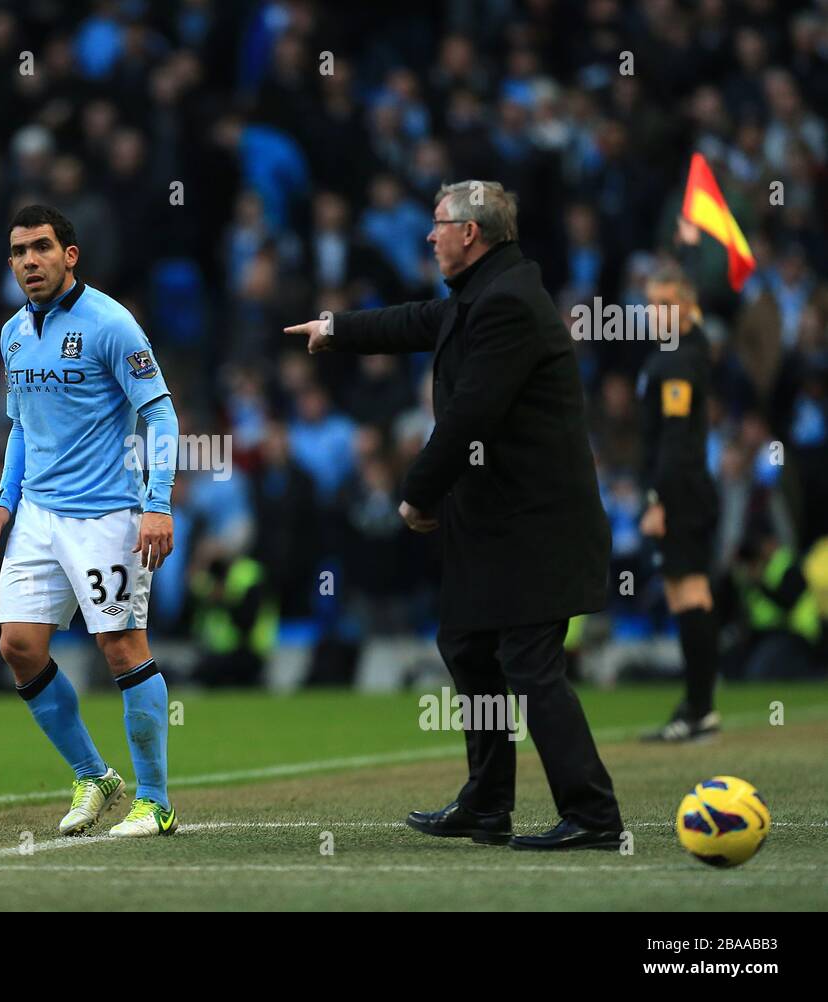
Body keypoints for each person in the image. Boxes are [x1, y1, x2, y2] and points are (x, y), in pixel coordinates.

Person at [285, 180, 624, 851]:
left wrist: (416, 490)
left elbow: (472, 411)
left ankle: (593, 813)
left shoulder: (508, 305)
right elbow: (417, 321)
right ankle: (489, 803)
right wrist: (338, 328)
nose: (430, 236)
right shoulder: (487, 294)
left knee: (530, 663)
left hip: (535, 523)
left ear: (471, 232)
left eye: (438, 224)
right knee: (467, 646)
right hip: (500, 522)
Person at [0, 205, 181, 838]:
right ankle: (94, 775)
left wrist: (157, 504)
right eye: (18, 251)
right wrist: (5, 500)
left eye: (41, 247)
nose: (29, 261)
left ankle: (155, 800)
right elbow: (20, 426)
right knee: (18, 646)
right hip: (36, 514)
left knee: (120, 647)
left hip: (104, 516)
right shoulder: (13, 332)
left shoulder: (111, 323)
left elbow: (162, 415)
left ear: (71, 255)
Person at [637, 262, 723, 741]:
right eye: (652, 305)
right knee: (688, 594)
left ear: (688, 306)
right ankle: (699, 704)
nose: (657, 314)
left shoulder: (677, 363)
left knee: (688, 594)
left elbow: (673, 441)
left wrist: (657, 500)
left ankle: (699, 708)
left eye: (667, 305)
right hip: (688, 489)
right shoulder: (685, 351)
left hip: (680, 493)